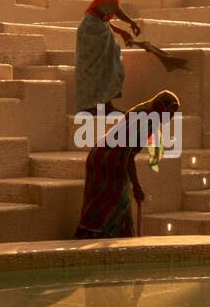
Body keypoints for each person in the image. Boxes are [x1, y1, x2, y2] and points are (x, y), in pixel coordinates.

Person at [73, 90, 180, 239]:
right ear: (160, 108)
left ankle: (110, 238)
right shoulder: (146, 122)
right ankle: (101, 238)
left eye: (173, 113)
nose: (171, 117)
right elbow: (128, 156)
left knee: (106, 200)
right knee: (115, 200)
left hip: (98, 156)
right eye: (170, 112)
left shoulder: (142, 116)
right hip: (109, 161)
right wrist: (136, 186)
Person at [75, 0, 140, 114]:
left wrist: (122, 32)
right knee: (95, 67)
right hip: (92, 31)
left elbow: (105, 18)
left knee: (110, 64)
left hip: (99, 28)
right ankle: (92, 106)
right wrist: (131, 23)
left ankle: (106, 103)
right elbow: (114, 11)